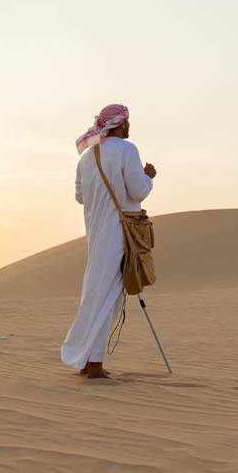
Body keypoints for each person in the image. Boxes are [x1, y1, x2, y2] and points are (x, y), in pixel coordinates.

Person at [60, 103, 156, 379]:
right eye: (128, 121)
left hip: (96, 233)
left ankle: (85, 359)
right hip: (119, 234)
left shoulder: (85, 158)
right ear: (121, 123)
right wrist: (148, 177)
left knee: (96, 293)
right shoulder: (128, 150)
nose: (130, 126)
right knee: (109, 295)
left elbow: (80, 197)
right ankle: (93, 365)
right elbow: (137, 191)